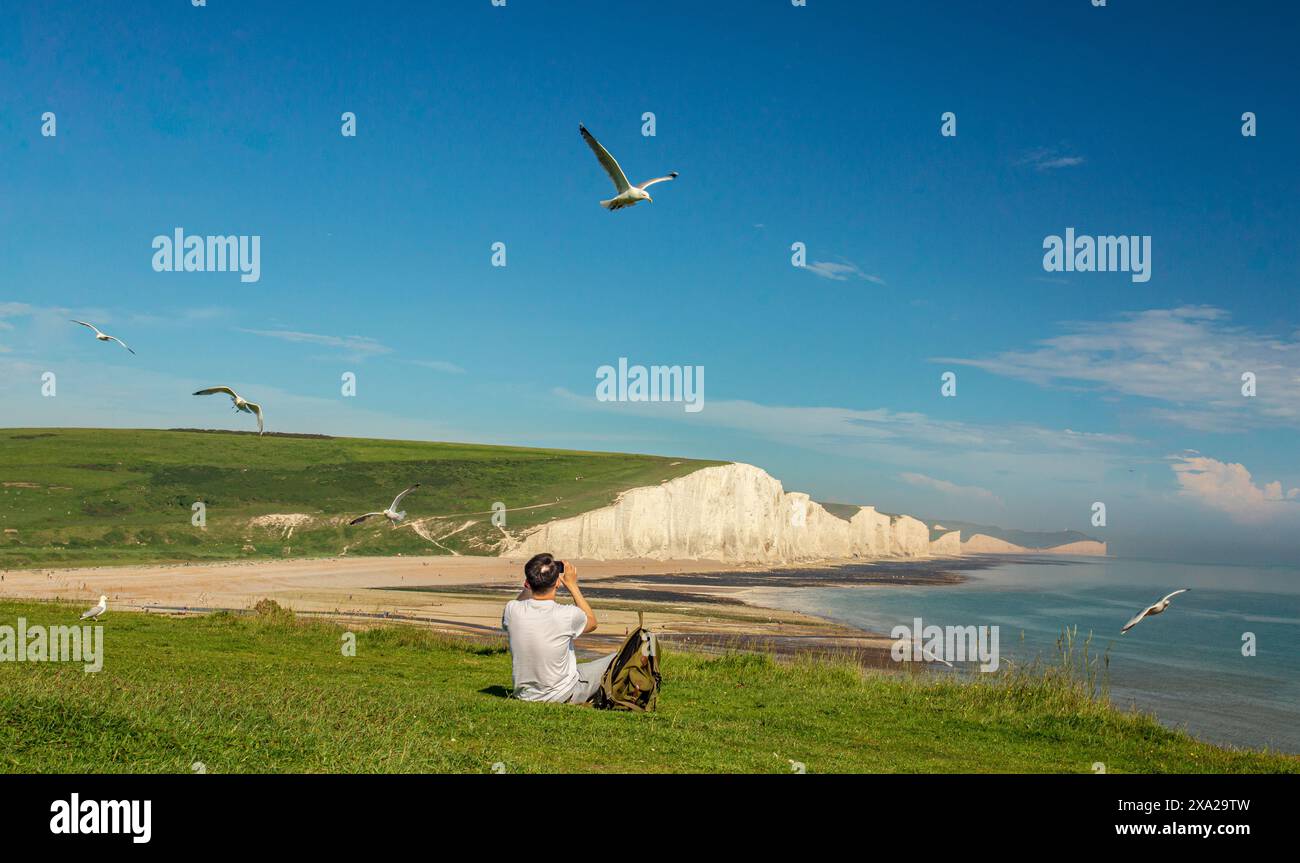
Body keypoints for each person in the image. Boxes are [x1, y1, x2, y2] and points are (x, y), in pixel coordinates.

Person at [501, 552, 617, 704]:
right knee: (619, 657)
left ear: (529, 581)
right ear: (557, 583)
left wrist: (532, 582)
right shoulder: (567, 614)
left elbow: (520, 602)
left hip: (524, 695)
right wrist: (573, 586)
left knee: (580, 667)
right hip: (562, 694)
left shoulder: (511, 610)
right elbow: (592, 623)